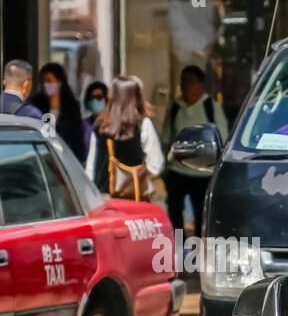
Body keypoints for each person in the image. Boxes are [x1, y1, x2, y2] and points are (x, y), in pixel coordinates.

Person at [160, 65, 228, 235]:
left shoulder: (211, 107)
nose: (184, 85)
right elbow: (167, 138)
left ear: (200, 84)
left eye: (189, 81)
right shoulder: (175, 107)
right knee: (175, 211)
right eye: (182, 81)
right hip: (178, 171)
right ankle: (179, 246)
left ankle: (199, 250)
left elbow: (223, 138)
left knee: (201, 213)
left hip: (204, 174)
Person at [85, 75, 165, 200]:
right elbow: (156, 163)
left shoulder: (100, 126)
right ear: (136, 97)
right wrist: (139, 177)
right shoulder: (142, 125)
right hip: (134, 198)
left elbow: (91, 167)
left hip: (104, 199)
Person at [29, 62, 87, 162]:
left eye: (49, 81)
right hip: (44, 158)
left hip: (67, 159)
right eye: (43, 81)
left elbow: (77, 138)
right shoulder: (36, 105)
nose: (45, 84)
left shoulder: (71, 106)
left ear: (60, 82)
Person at [81, 80, 107, 154]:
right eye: (92, 97)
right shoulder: (83, 125)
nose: (95, 100)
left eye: (99, 97)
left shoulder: (112, 125)